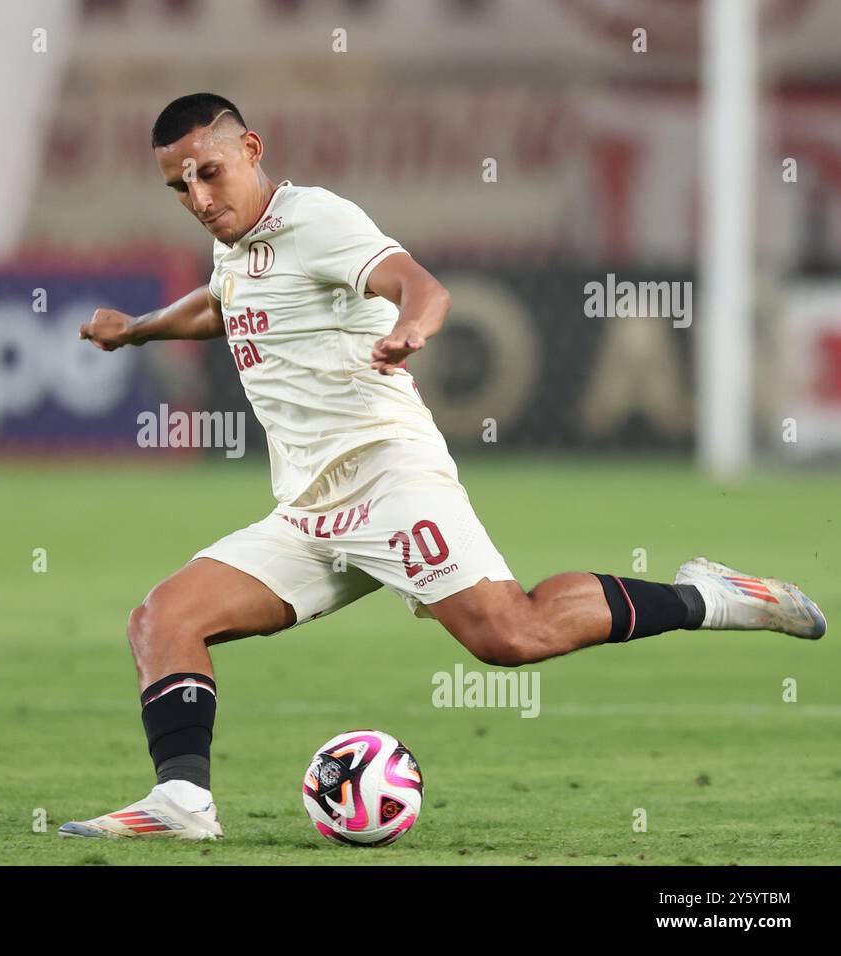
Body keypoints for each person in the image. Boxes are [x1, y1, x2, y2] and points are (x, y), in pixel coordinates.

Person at [63, 93, 826, 840]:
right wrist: (138, 330)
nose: (196, 197)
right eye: (178, 186)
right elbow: (221, 303)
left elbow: (423, 287)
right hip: (307, 511)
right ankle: (182, 800)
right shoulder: (235, 248)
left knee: (510, 636)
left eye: (207, 172)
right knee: (163, 618)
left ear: (251, 150)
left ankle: (708, 597)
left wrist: (410, 329)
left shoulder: (317, 220)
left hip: (388, 477)